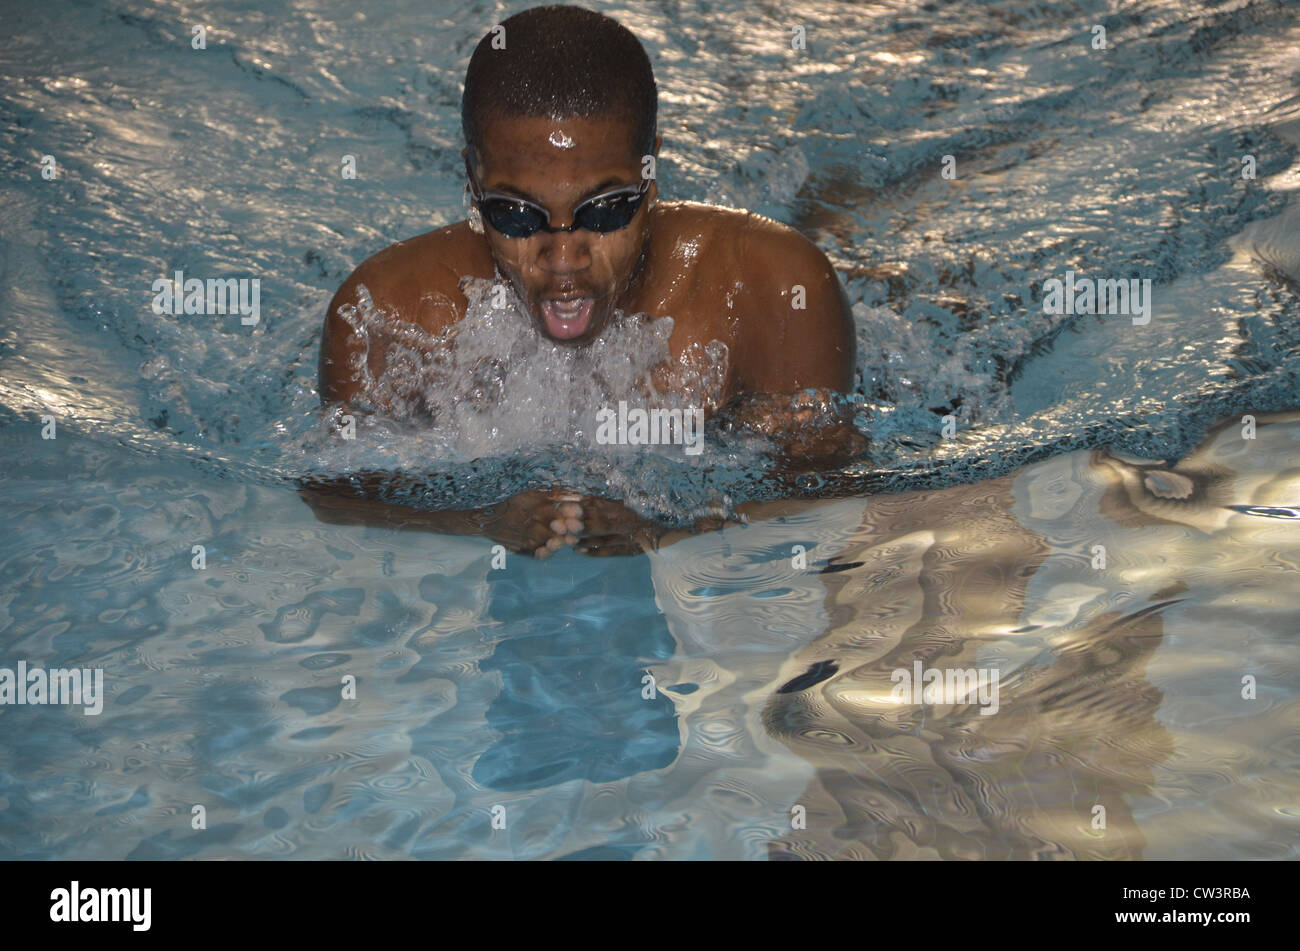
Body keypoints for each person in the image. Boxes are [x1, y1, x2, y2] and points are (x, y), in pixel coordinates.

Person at [309, 4, 860, 557]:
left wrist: (665, 529)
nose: (564, 256)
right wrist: (478, 520)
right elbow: (337, 495)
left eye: (604, 210)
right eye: (518, 215)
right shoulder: (387, 314)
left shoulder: (773, 289)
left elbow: (824, 491)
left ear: (651, 170)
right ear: (472, 182)